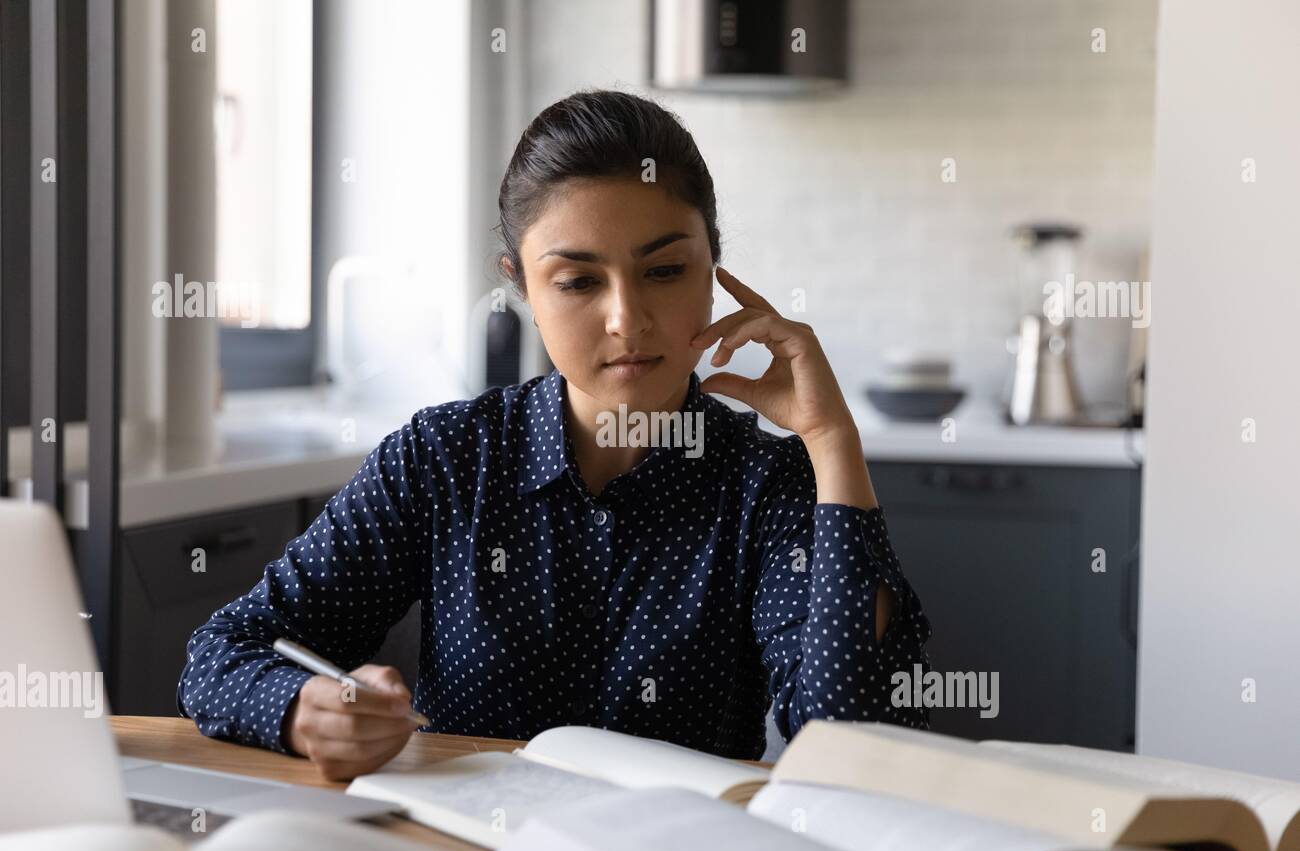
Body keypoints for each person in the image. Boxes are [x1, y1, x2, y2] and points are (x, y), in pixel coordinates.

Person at [178, 89, 933, 781]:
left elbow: (852, 743)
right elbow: (222, 653)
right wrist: (303, 711)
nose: (625, 320)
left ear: (714, 272)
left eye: (665, 271)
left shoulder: (768, 482)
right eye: (577, 282)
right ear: (525, 289)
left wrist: (831, 440)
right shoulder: (446, 460)